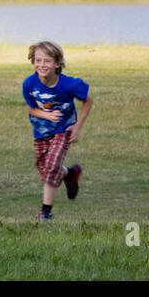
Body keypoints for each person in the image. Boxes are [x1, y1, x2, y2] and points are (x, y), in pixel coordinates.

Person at [22, 39, 92, 221]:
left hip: (63, 130)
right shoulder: (29, 84)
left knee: (52, 166)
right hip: (40, 133)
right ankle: (70, 175)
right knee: (44, 168)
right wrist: (46, 116)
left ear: (57, 63)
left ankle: (45, 212)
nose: (42, 65)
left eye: (47, 61)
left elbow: (88, 100)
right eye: (38, 60)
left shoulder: (69, 85)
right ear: (32, 61)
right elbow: (31, 108)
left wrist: (77, 127)